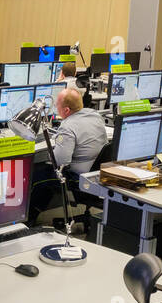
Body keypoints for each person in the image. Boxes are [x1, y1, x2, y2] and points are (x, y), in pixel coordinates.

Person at [28, 88, 105, 221]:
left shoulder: (68, 127)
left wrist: (48, 151)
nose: (55, 108)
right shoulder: (95, 115)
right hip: (96, 172)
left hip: (77, 176)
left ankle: (30, 217)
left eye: (57, 105)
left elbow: (60, 162)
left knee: (36, 174)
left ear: (67, 110)